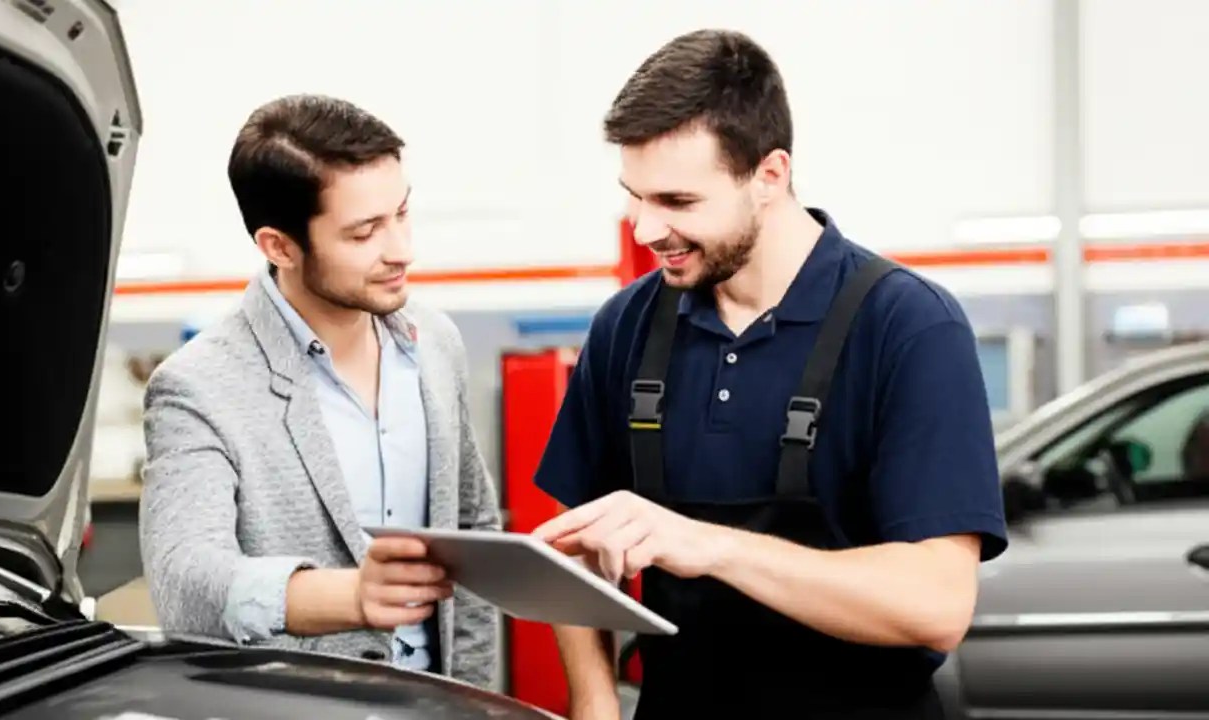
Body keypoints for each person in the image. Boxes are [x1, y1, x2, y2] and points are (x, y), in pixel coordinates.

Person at [529, 29, 1009, 719]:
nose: (644, 229)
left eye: (677, 202)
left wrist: (707, 545)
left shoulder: (909, 327)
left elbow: (935, 605)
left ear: (770, 175)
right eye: (635, 197)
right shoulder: (624, 327)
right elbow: (569, 542)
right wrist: (595, 701)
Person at [138, 94, 500, 689]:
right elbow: (186, 582)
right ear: (279, 246)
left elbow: (473, 534)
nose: (401, 250)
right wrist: (351, 595)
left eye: (401, 214)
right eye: (364, 233)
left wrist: (475, 701)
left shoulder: (435, 343)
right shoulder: (197, 385)